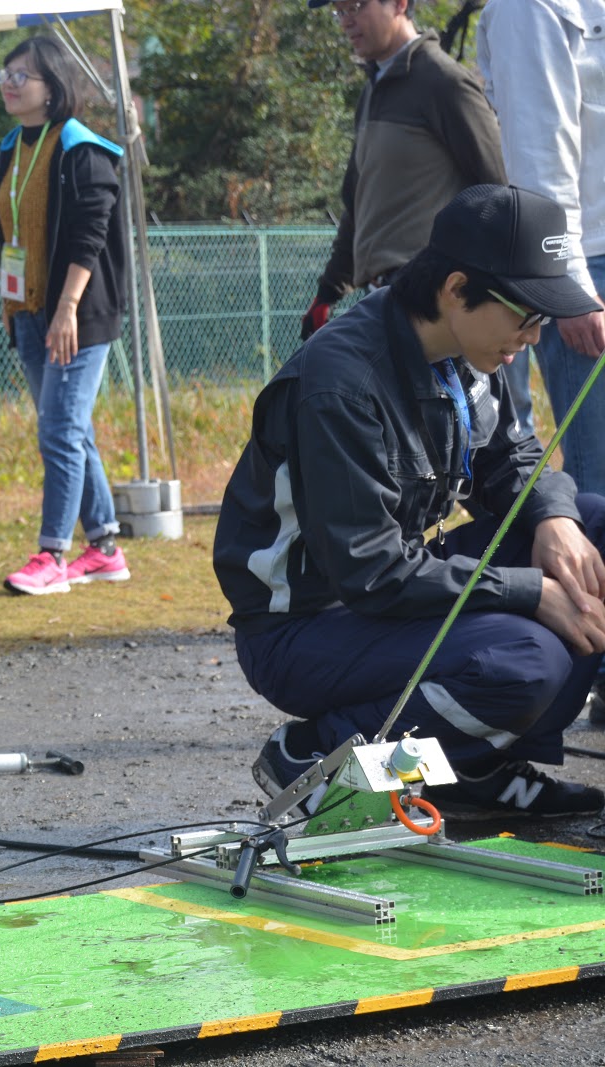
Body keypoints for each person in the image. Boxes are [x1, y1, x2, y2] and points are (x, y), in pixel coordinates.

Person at [216, 184, 605, 820]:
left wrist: (552, 516)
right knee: (523, 661)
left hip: (387, 592)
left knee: (592, 525)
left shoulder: (478, 345)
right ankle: (320, 752)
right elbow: (372, 573)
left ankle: (478, 770)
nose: (534, 337)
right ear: (456, 290)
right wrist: (529, 591)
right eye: (527, 315)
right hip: (305, 627)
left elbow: (511, 457)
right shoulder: (343, 384)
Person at [301, 0, 514, 430]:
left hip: (440, 307)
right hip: (387, 302)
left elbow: (497, 196)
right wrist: (328, 291)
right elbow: (357, 206)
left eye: (354, 6)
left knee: (479, 456)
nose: (345, 20)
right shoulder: (373, 88)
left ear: (400, 3)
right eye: (337, 11)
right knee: (405, 451)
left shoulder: (443, 82)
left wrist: (490, 299)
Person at [0, 36, 131, 596]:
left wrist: (67, 308)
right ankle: (106, 549)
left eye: (23, 75)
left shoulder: (82, 149)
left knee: (60, 431)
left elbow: (90, 237)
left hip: (77, 312)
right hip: (27, 311)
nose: (9, 82)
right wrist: (16, 305)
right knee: (72, 431)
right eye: (7, 72)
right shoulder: (9, 150)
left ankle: (52, 555)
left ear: (54, 88)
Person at [478, 2, 605, 491]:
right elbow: (539, 157)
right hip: (588, 268)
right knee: (600, 481)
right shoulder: (528, 7)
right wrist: (568, 282)